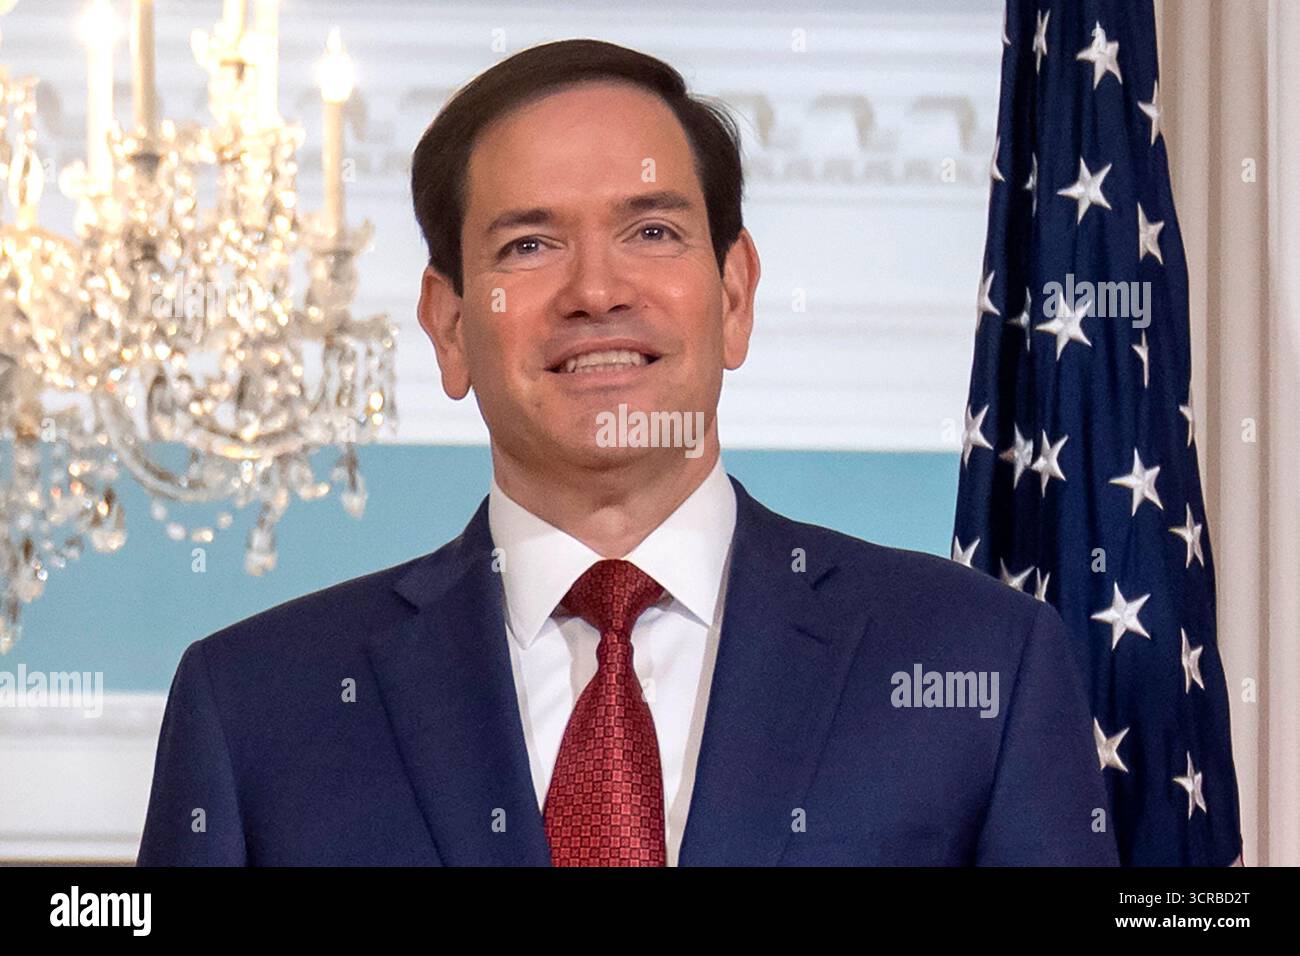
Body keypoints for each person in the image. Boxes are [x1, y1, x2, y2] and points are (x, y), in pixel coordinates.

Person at [136, 38, 1118, 867]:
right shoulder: (252, 706)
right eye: (528, 245)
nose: (596, 290)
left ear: (734, 295)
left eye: (650, 230)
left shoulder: (986, 662)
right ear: (448, 325)